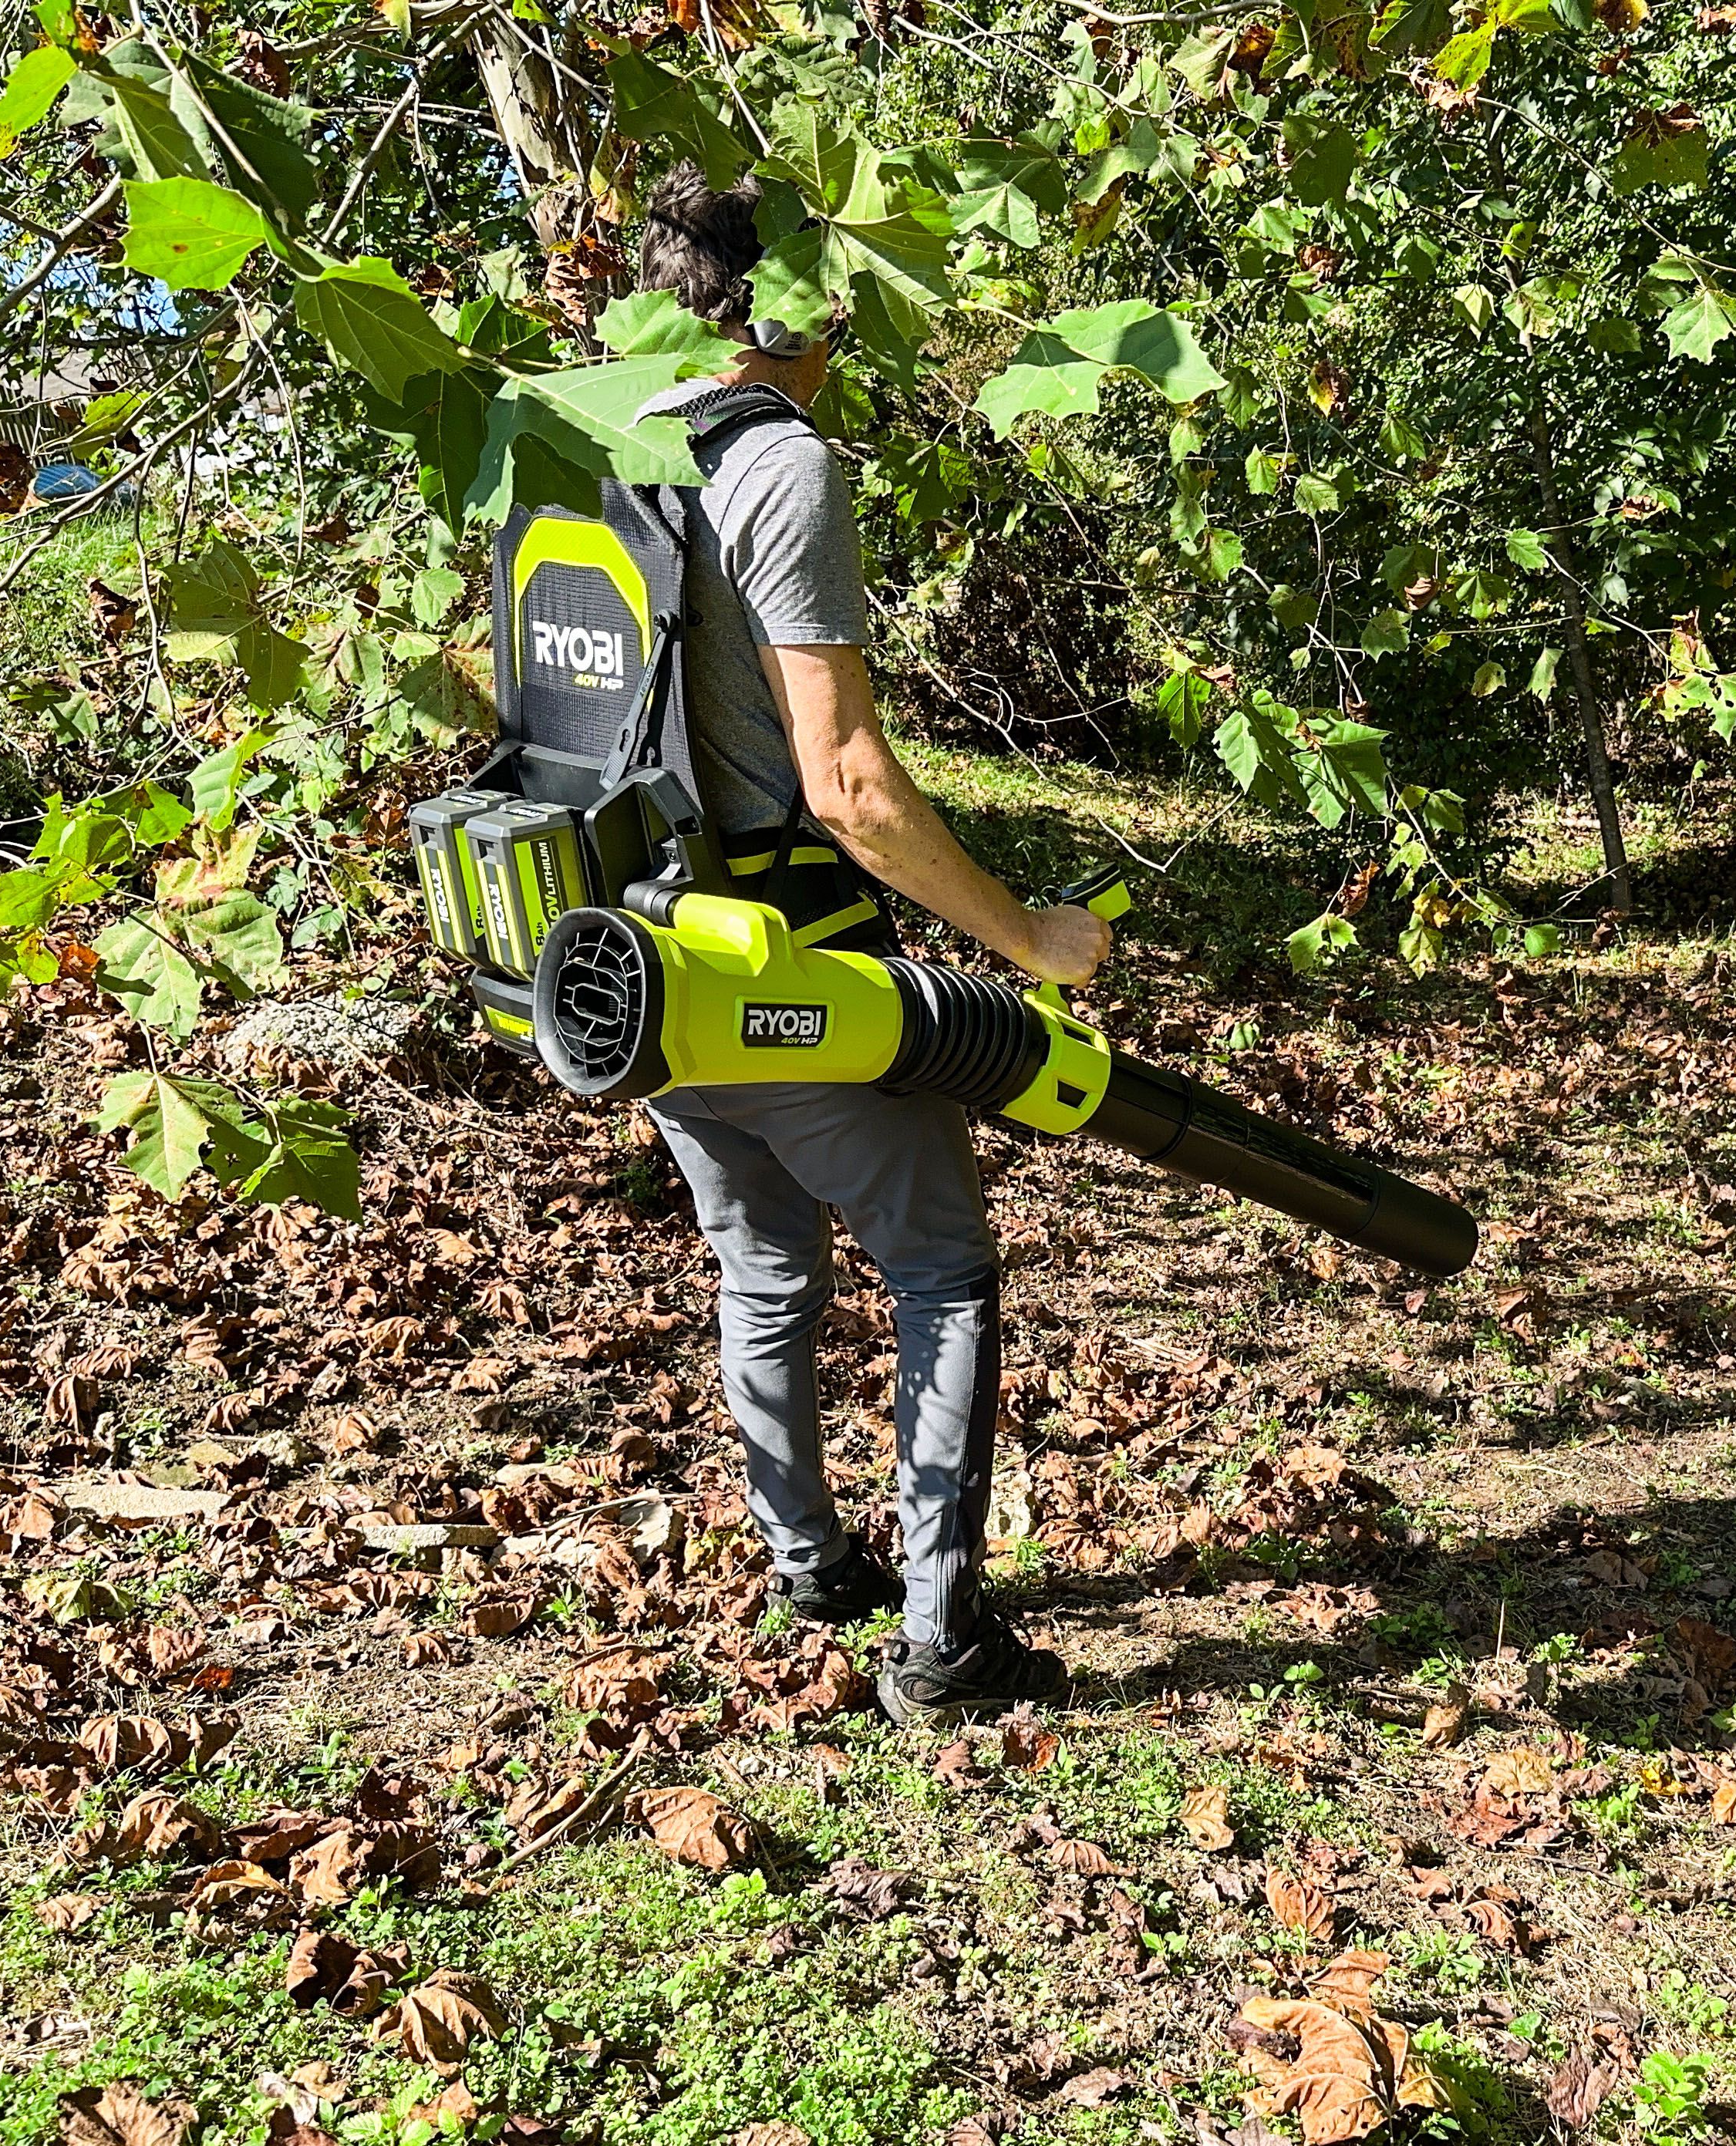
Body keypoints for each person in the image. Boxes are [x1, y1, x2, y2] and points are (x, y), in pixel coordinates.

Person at [629, 161, 1111, 1725]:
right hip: (780, 956)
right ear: (793, 303)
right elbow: (848, 786)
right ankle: (941, 1644)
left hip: (627, 954)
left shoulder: (584, 438)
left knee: (760, 1256)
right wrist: (1024, 945)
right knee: (940, 1265)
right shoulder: (778, 466)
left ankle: (806, 1562)